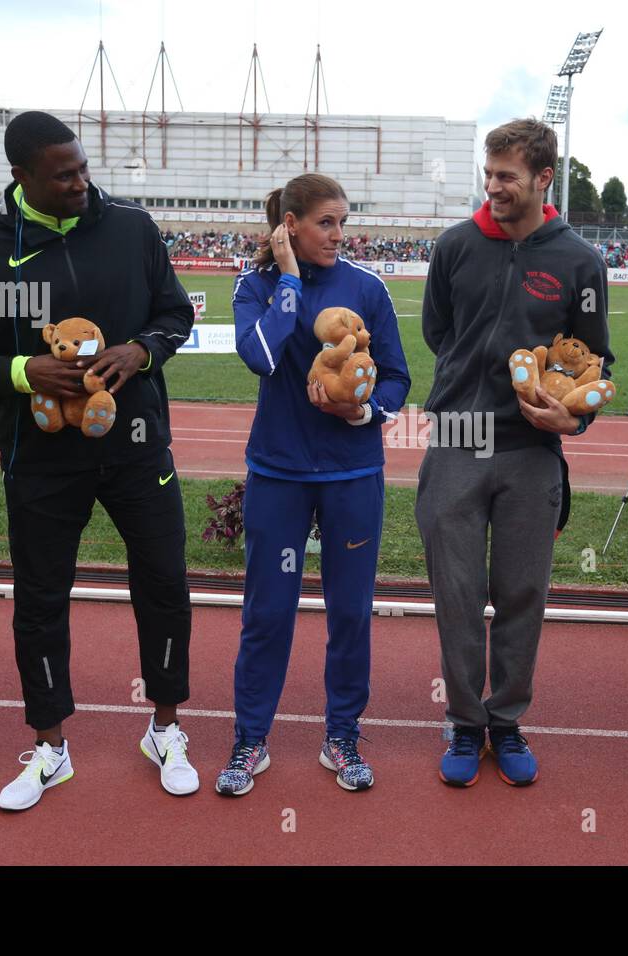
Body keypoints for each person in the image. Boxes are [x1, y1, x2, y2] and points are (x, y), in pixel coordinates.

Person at [0, 112, 198, 810]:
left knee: (166, 583)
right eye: (64, 174)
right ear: (22, 176)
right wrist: (24, 372)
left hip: (139, 449)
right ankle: (51, 746)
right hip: (40, 458)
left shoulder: (132, 227)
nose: (82, 182)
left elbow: (176, 315)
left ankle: (166, 728)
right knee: (41, 600)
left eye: (82, 167)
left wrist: (140, 351)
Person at [416, 118, 611, 787]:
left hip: (531, 447)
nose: (493, 187)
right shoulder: (456, 246)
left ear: (542, 178)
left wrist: (570, 417)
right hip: (455, 440)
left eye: (506, 176)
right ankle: (467, 724)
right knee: (458, 593)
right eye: (488, 173)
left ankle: (507, 719)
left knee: (523, 591)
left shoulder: (579, 261)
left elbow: (596, 362)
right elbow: (438, 331)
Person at [215, 173, 410, 796]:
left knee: (349, 612)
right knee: (267, 614)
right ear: (290, 225)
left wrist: (365, 411)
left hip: (353, 473)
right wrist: (291, 281)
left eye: (343, 222)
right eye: (326, 223)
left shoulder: (368, 288)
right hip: (278, 474)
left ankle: (343, 735)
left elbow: (399, 380)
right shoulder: (257, 285)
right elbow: (262, 358)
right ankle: (251, 740)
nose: (338, 235)